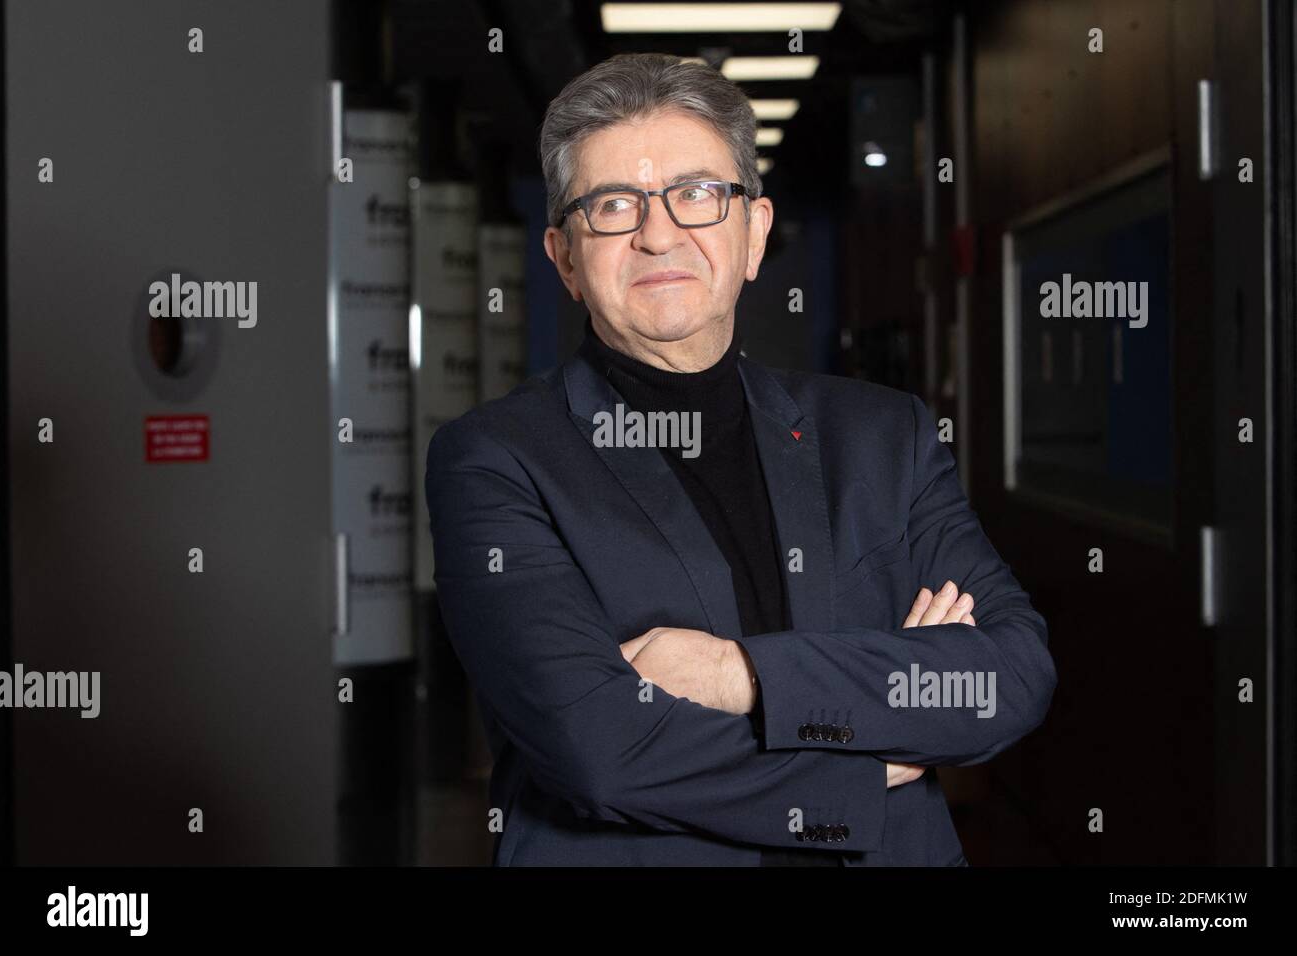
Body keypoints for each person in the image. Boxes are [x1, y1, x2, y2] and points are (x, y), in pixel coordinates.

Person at [423, 52, 1056, 866]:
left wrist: (739, 674)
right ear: (566, 258)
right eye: (613, 205)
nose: (659, 234)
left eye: (696, 193)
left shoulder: (882, 436)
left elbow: (1008, 675)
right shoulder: (496, 461)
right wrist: (869, 757)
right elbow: (601, 749)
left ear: (753, 234)